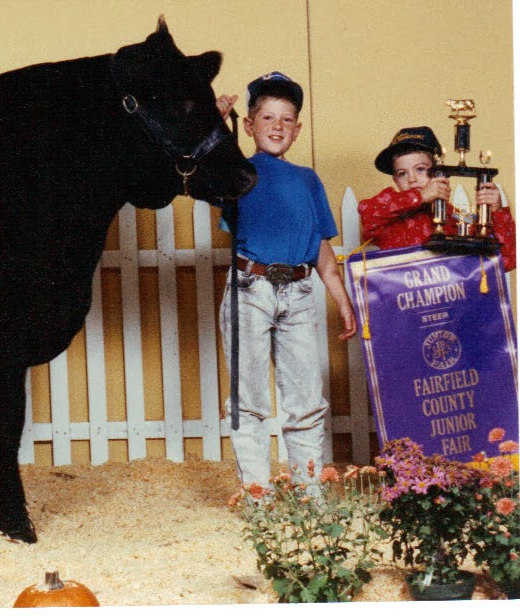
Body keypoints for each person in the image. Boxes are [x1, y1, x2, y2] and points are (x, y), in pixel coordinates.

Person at [216, 72, 357, 490]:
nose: (277, 126)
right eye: (267, 117)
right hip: (250, 288)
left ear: (297, 130)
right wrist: (213, 117)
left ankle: (309, 494)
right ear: (248, 125)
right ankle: (257, 497)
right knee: (249, 400)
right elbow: (199, 159)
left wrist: (343, 302)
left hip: (298, 293)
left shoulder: (308, 180)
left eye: (287, 119)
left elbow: (323, 253)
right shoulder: (236, 172)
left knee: (306, 400)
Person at [358, 126, 516, 271]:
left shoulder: (456, 218)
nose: (411, 179)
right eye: (402, 173)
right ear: (395, 180)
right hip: (403, 298)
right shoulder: (390, 215)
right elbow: (367, 211)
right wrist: (420, 196)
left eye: (420, 169)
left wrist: (498, 212)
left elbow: (507, 261)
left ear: (440, 172)